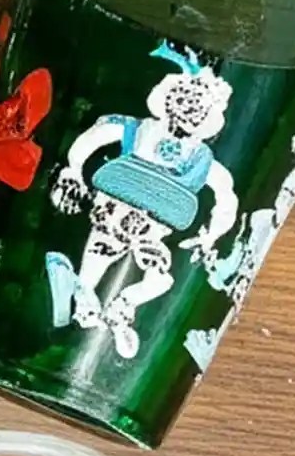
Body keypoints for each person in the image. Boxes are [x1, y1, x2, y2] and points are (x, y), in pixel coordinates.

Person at [46, 43, 239, 359]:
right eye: (183, 101)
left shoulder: (202, 161)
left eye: (196, 107)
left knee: (160, 278)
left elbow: (226, 195)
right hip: (113, 214)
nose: (187, 111)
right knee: (96, 264)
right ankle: (82, 302)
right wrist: (74, 170)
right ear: (169, 99)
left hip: (152, 229)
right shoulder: (137, 130)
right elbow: (97, 135)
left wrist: (211, 236)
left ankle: (120, 307)